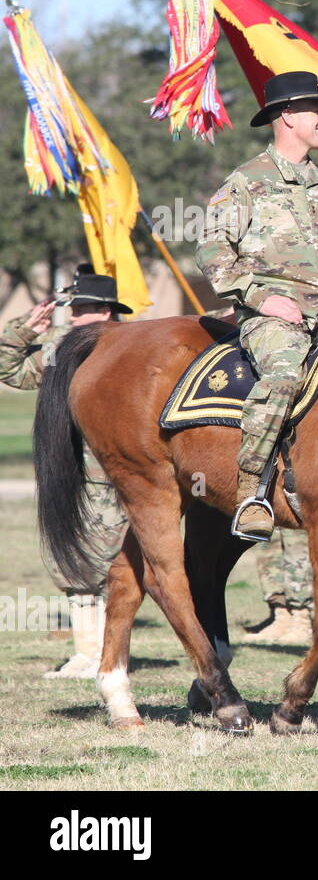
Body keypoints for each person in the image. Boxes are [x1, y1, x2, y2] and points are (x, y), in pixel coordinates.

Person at [198, 71, 318, 540]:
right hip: (276, 319)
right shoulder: (246, 182)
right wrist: (263, 298)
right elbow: (213, 251)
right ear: (289, 116)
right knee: (284, 376)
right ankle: (251, 493)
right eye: (316, 111)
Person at [0, 270, 132, 678]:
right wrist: (23, 328)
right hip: (73, 474)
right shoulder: (63, 347)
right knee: (75, 564)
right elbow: (11, 371)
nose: (73, 317)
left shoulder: (133, 350)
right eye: (72, 309)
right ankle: (88, 653)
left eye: (82, 309)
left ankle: (109, 655)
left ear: (105, 311)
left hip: (120, 473)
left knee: (116, 564)